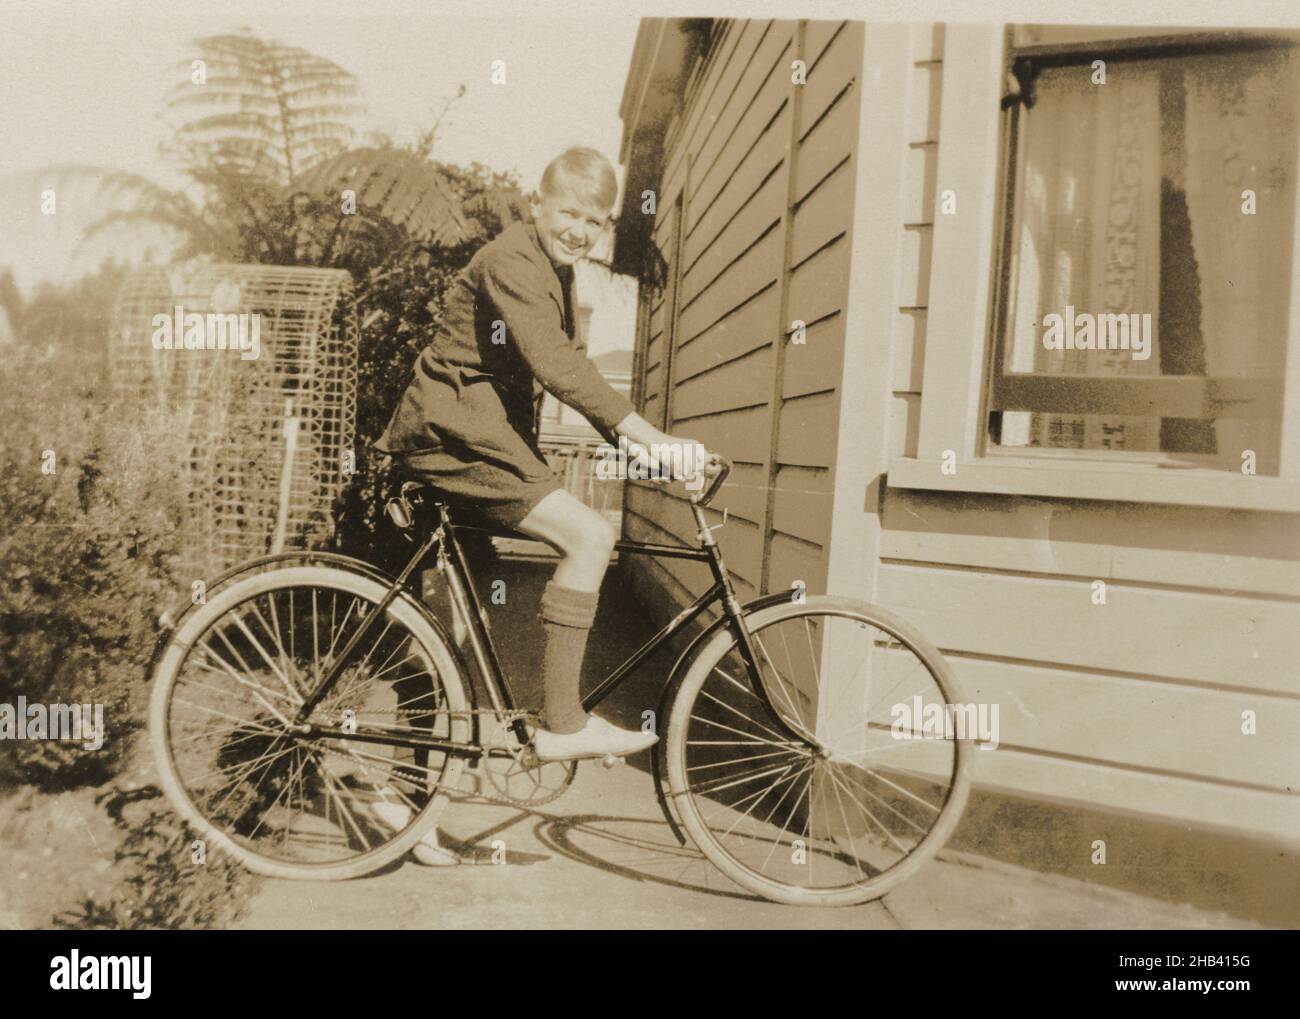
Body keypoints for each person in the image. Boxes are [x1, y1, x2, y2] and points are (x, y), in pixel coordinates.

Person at [372, 147, 712, 864]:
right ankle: (562, 720)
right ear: (538, 202)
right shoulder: (511, 259)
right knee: (590, 537)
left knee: (457, 632)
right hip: (453, 433)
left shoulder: (550, 268)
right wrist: (652, 435)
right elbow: (557, 366)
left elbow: (571, 376)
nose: (581, 230)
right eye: (569, 213)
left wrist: (648, 448)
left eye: (595, 221)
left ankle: (401, 803)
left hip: (475, 435)